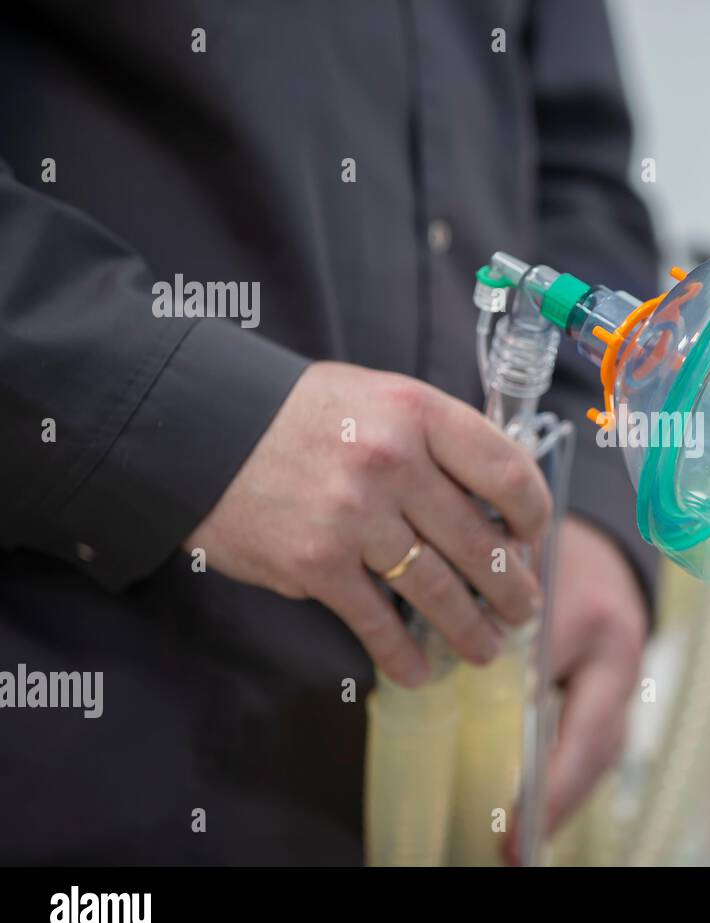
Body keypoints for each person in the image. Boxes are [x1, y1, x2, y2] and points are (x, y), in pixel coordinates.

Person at [0, 0, 657, 864]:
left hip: (463, 754)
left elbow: (581, 176)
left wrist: (598, 520)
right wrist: (187, 413)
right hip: (95, 730)